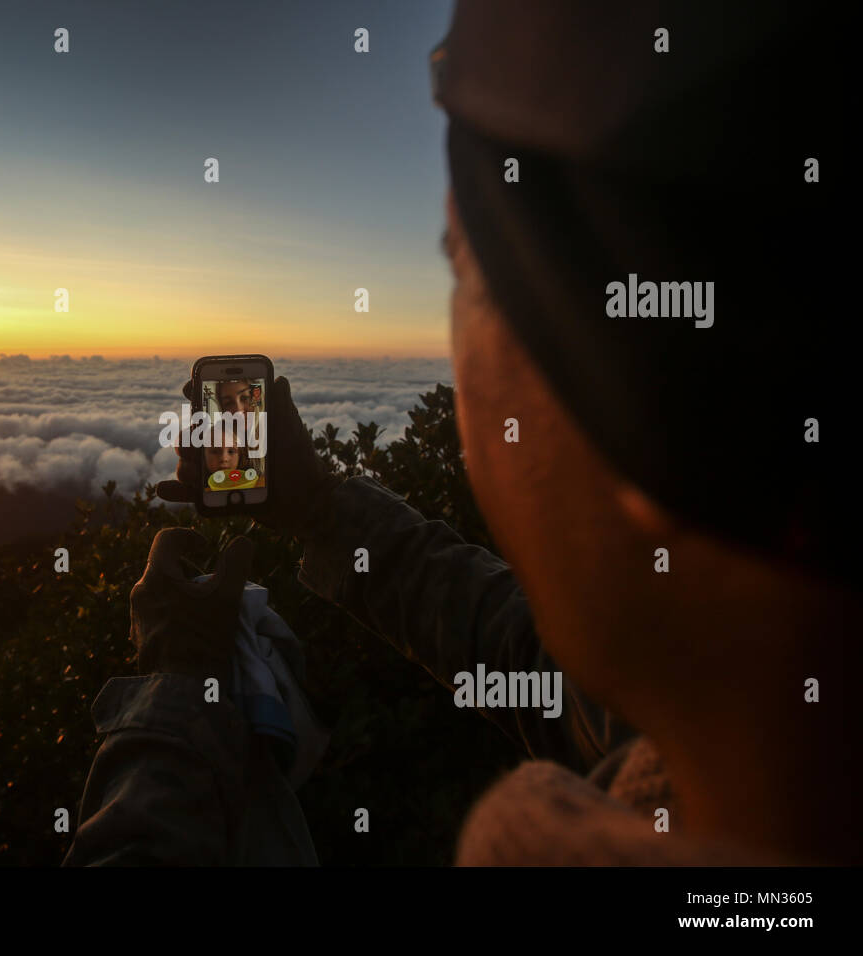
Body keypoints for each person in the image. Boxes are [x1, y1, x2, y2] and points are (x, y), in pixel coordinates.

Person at [63, 0, 855, 866]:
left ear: (645, 407)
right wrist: (318, 509)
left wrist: (178, 687)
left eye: (462, 269)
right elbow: (518, 653)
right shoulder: (735, 723)